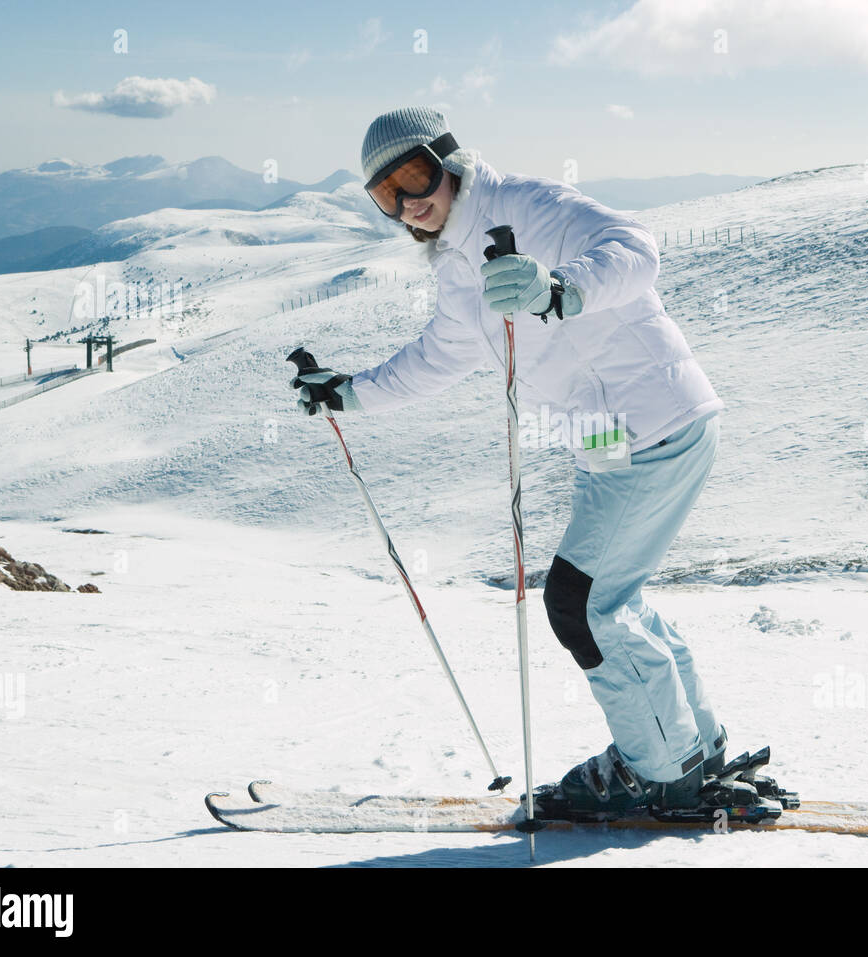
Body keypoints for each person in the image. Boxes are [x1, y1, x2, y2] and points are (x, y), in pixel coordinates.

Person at [293, 106, 728, 815]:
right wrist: (348, 395)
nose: (409, 203)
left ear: (449, 160)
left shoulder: (528, 205)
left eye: (414, 175)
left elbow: (636, 249)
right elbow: (436, 358)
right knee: (609, 598)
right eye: (386, 195)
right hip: (608, 442)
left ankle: (660, 768)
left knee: (579, 602)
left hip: (656, 423)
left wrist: (561, 288)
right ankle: (691, 745)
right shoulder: (459, 269)